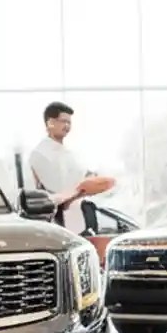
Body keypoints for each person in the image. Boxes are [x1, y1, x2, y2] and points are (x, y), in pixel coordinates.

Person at [29, 101, 115, 235]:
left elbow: (79, 176)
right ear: (50, 123)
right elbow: (58, 190)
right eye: (63, 121)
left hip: (78, 212)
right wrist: (82, 188)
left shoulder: (68, 153)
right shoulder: (40, 153)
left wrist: (91, 179)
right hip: (59, 218)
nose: (67, 126)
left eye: (69, 122)